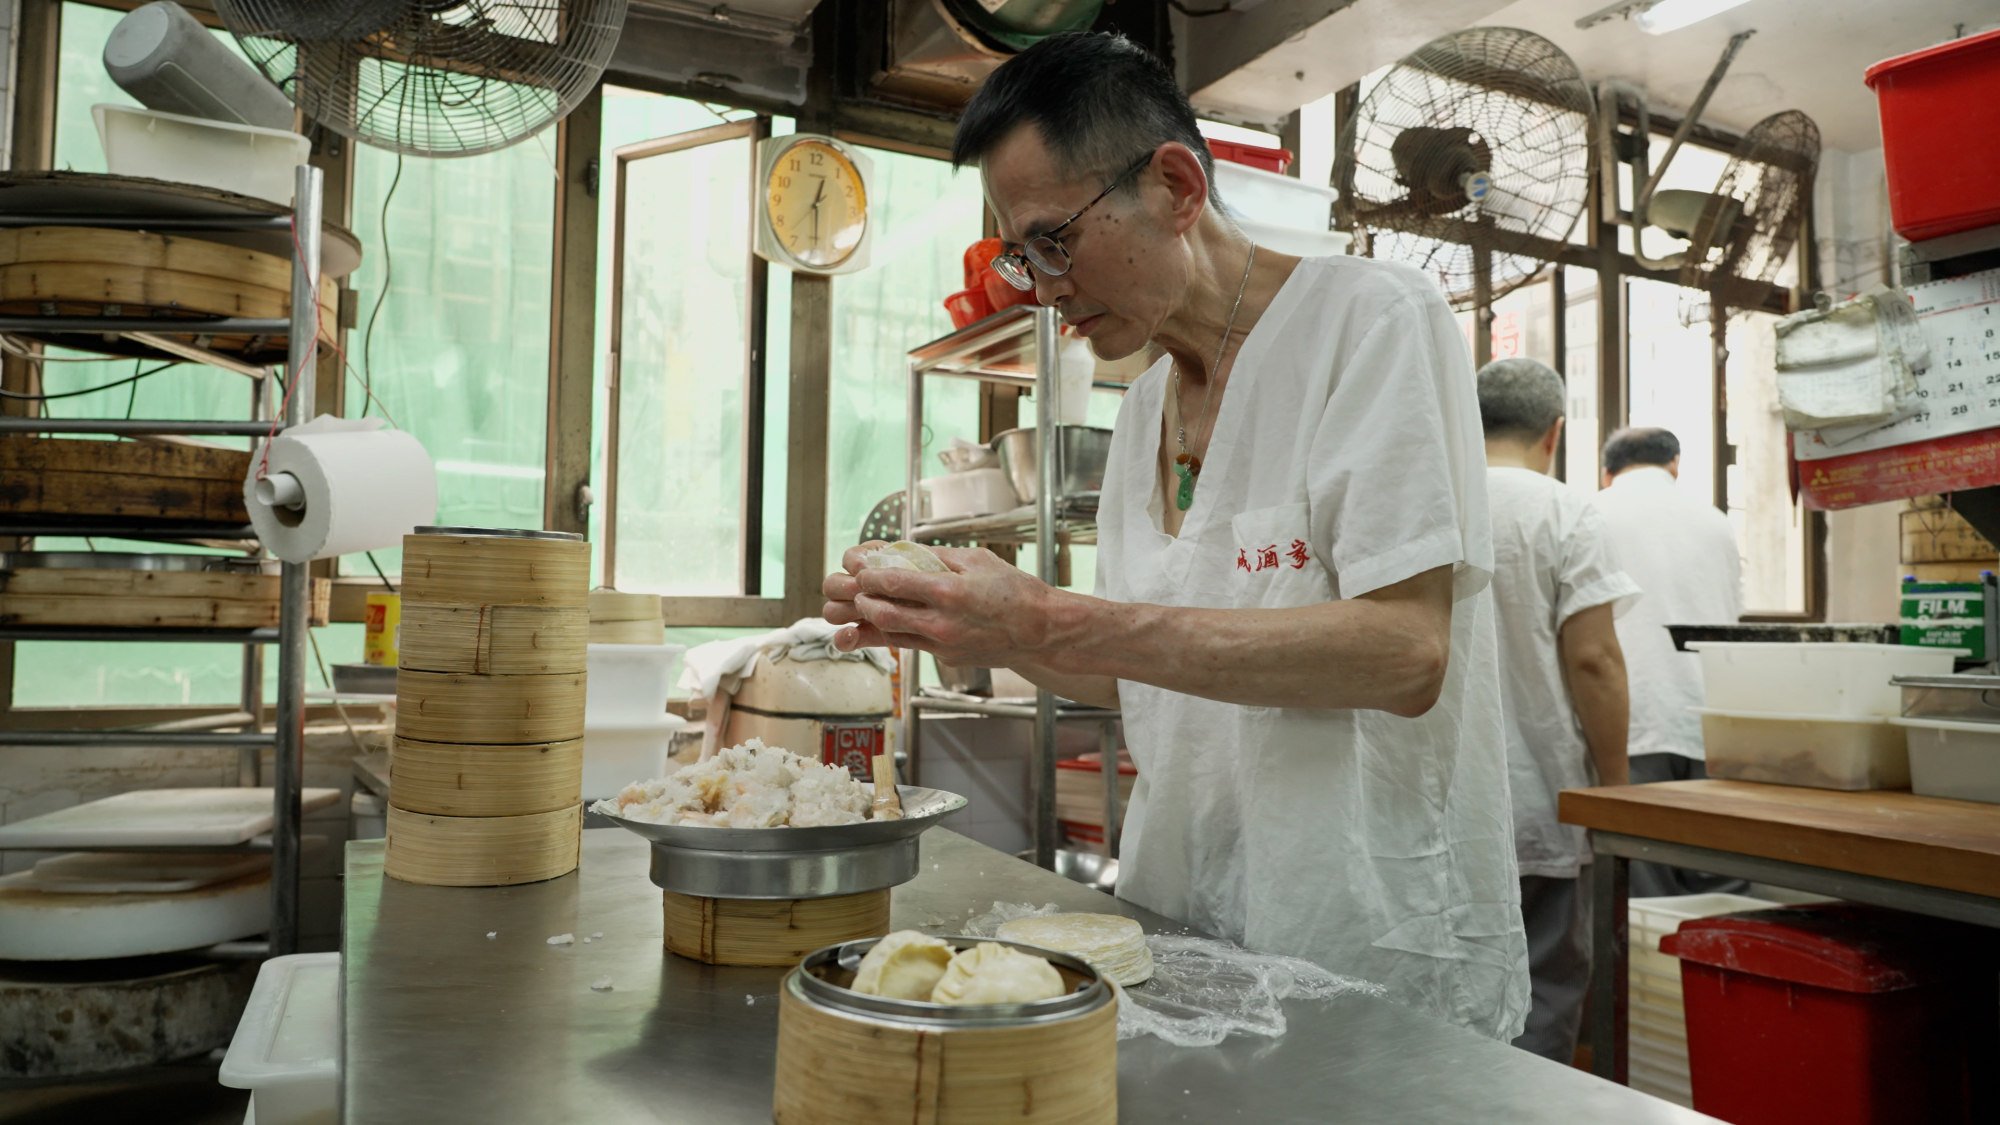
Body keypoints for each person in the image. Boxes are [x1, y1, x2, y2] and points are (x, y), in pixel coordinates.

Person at [822, 32, 1528, 1040]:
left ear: (1175, 185)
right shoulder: (1147, 405)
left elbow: (1402, 654)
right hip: (1186, 920)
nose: (1043, 285)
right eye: (1018, 259)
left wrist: (1049, 619)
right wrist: (986, 635)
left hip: (1363, 937)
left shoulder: (1368, 321)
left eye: (1050, 241)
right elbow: (1141, 680)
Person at [1477, 358, 1640, 1063]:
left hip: (1431, 806)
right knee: (1542, 989)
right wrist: (1614, 784)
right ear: (1556, 432)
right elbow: (1594, 659)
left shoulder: (1426, 500)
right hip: (1537, 791)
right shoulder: (1565, 511)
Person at [1591, 426, 1746, 897]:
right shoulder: (1716, 520)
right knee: (1720, 882)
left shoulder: (1591, 514)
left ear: (1607, 473)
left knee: (1641, 886)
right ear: (1675, 464)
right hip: (1711, 715)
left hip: (1630, 718)